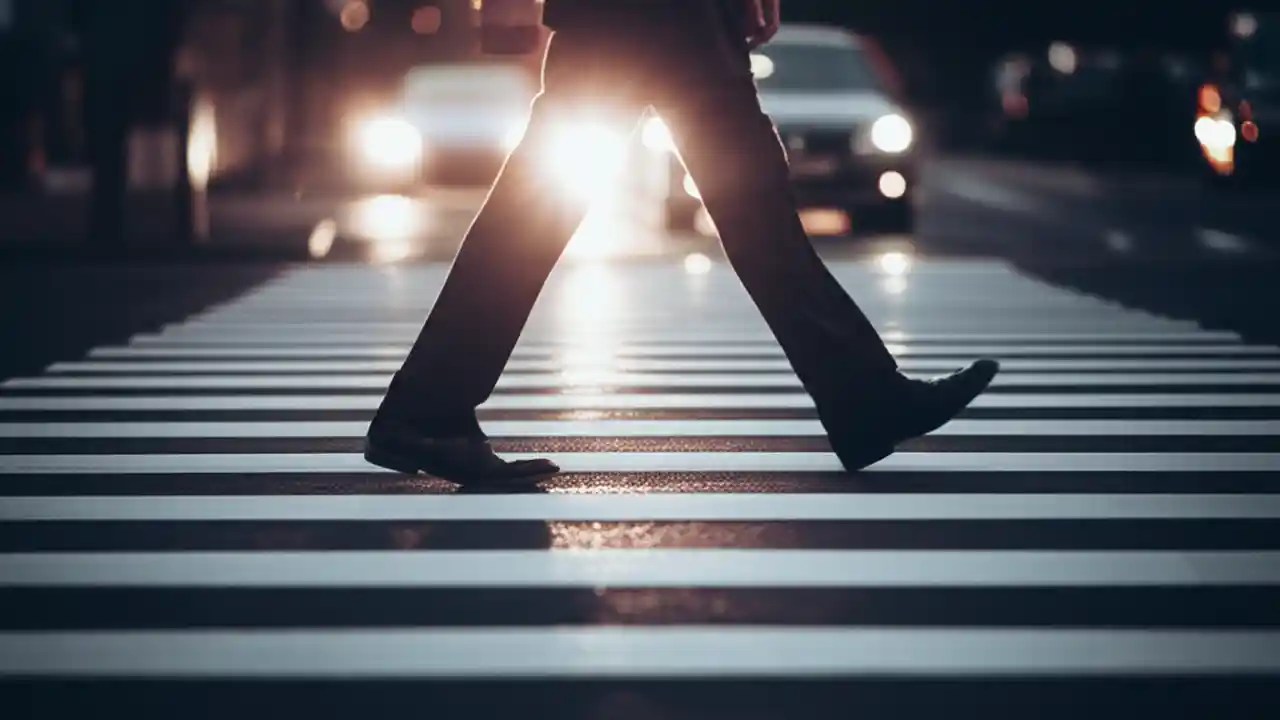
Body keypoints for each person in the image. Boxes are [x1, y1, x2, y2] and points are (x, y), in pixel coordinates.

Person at [365, 0, 999, 484]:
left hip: (643, 14)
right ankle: (867, 400)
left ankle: (427, 409)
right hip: (664, 16)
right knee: (747, 206)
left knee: (547, 207)